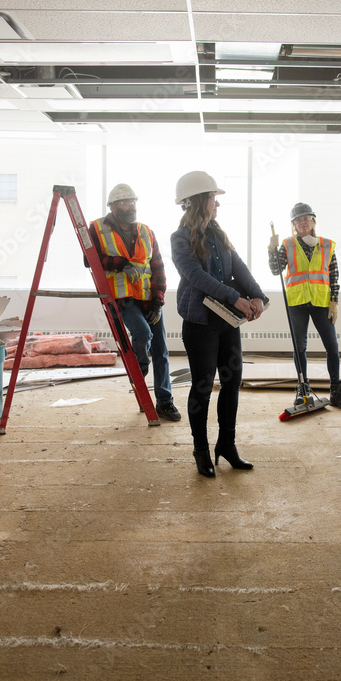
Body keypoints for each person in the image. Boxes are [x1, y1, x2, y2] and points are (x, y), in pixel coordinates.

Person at [171, 171, 266, 478]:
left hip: (227, 321)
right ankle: (201, 450)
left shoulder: (218, 233)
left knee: (232, 382)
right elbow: (196, 276)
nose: (217, 204)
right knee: (202, 388)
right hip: (201, 323)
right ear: (200, 200)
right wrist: (234, 296)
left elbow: (238, 266)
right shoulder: (180, 238)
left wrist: (257, 296)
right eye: (214, 198)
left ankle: (227, 445)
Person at [88, 183, 181, 422]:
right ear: (113, 206)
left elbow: (158, 267)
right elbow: (90, 260)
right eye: (126, 202)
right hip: (122, 300)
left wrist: (158, 301)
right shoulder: (97, 228)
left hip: (148, 299)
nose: (132, 206)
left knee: (161, 352)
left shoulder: (146, 231)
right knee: (142, 334)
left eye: (134, 202)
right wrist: (121, 265)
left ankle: (165, 402)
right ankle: (139, 370)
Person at [269, 203, 341, 411]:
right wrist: (271, 248)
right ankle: (303, 389)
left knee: (332, 346)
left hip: (321, 302)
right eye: (298, 220)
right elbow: (275, 270)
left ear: (313, 221)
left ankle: (336, 391)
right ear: (294, 225)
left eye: (306, 218)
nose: (303, 223)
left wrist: (334, 300)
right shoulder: (287, 245)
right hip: (297, 303)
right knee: (299, 348)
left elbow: (333, 275)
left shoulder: (327, 245)